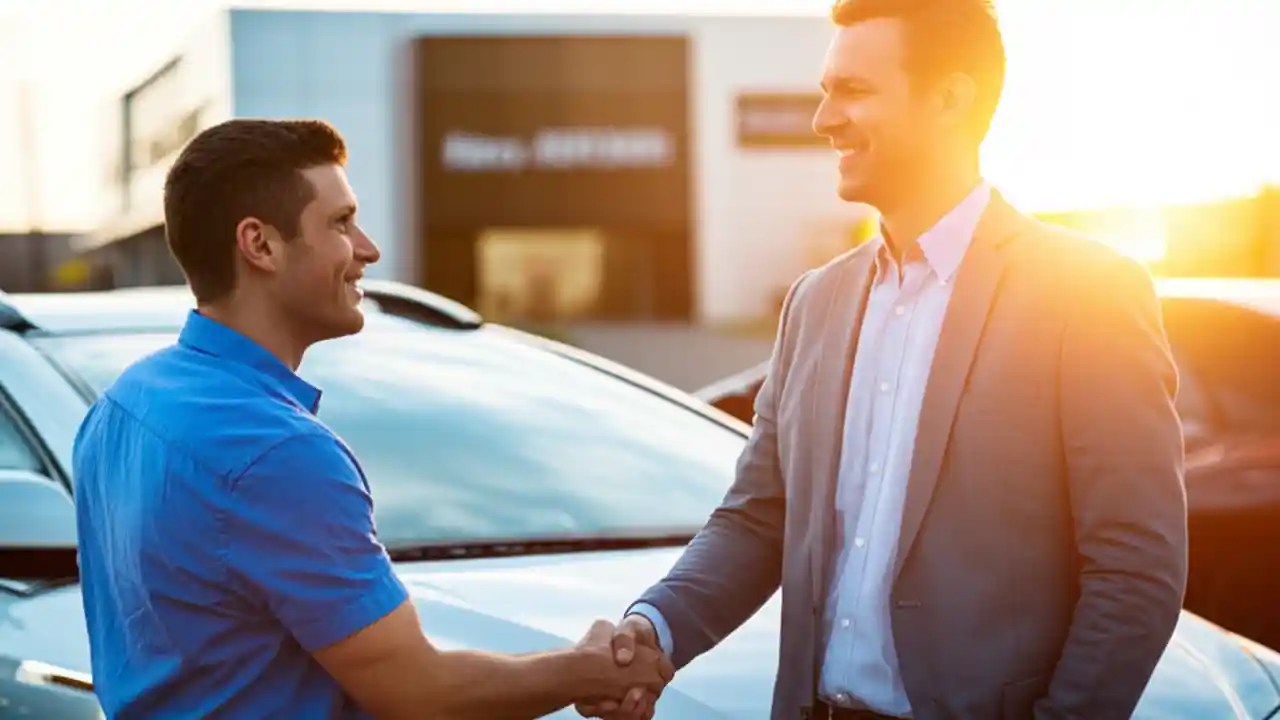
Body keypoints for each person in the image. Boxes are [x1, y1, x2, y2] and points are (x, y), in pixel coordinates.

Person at [579, 1, 1187, 719]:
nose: (824, 119)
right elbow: (758, 519)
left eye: (855, 91)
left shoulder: (1087, 291)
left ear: (951, 98)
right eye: (826, 90)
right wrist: (653, 629)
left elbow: (1134, 568)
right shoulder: (816, 302)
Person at [72, 118, 672, 720]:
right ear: (260, 245)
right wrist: (588, 669)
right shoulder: (278, 452)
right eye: (340, 222)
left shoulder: (120, 406)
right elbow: (421, 692)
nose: (368, 248)